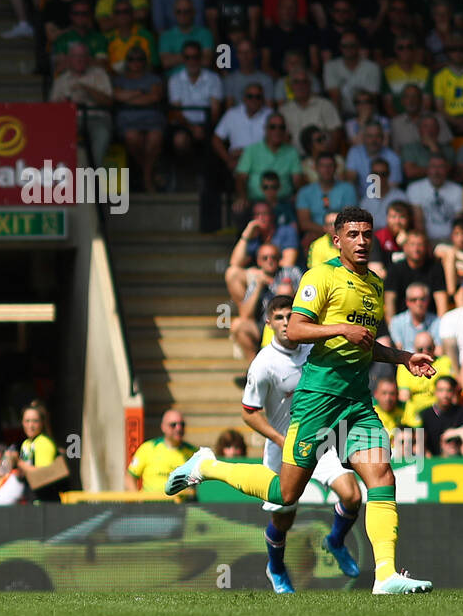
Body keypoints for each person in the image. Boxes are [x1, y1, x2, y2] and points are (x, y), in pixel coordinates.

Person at [166, 207, 435, 593]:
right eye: (353, 234)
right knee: (285, 494)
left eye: (367, 234)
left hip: (357, 400)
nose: (362, 241)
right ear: (337, 239)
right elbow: (295, 326)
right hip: (318, 398)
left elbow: (364, 344)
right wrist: (341, 327)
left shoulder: (375, 285)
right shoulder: (320, 276)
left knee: (381, 477)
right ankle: (208, 465)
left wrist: (404, 358)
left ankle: (386, 575)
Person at [239, 295, 362, 592]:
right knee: (284, 519)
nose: (284, 322)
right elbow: (249, 414)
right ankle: (277, 568)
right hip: (283, 448)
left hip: (320, 441)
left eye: (289, 316)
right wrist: (282, 440)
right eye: (278, 317)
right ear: (268, 323)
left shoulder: (312, 348)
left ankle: (334, 541)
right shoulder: (263, 365)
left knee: (353, 496)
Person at [125, 409, 195, 493]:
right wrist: (137, 500)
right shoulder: (148, 448)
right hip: (150, 504)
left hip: (181, 505)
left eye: (182, 424)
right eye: (173, 425)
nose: (178, 428)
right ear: (163, 427)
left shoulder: (193, 453)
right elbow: (130, 477)